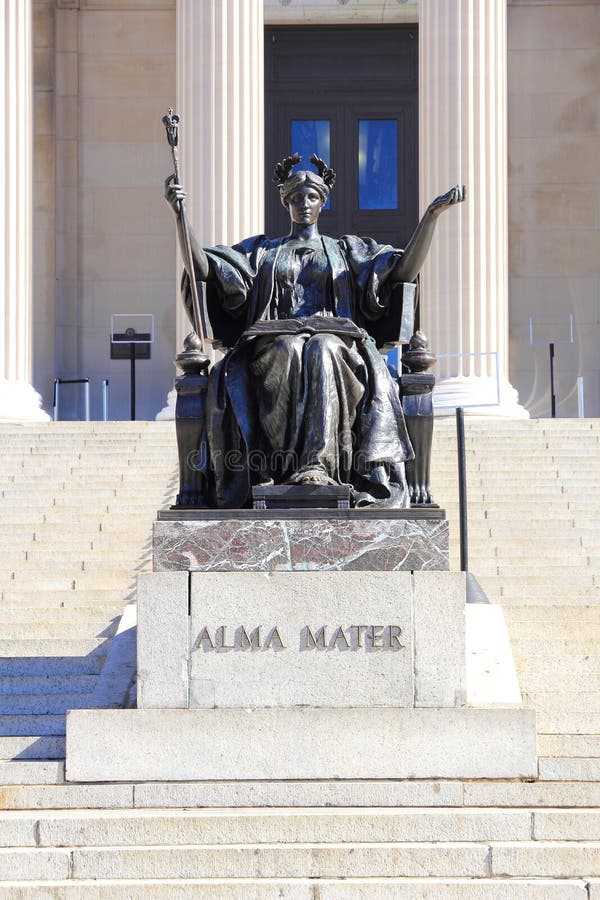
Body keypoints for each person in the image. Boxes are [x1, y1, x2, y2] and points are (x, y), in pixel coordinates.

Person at [165, 154, 464, 509]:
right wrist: (181, 217)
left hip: (338, 345)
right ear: (285, 202)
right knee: (288, 348)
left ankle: (316, 466)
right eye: (295, 198)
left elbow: (400, 273)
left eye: (311, 197)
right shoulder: (262, 252)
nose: (303, 204)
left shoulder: (346, 251)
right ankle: (277, 468)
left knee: (322, 347)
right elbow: (206, 270)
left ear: (323, 201)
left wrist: (430, 217)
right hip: (272, 343)